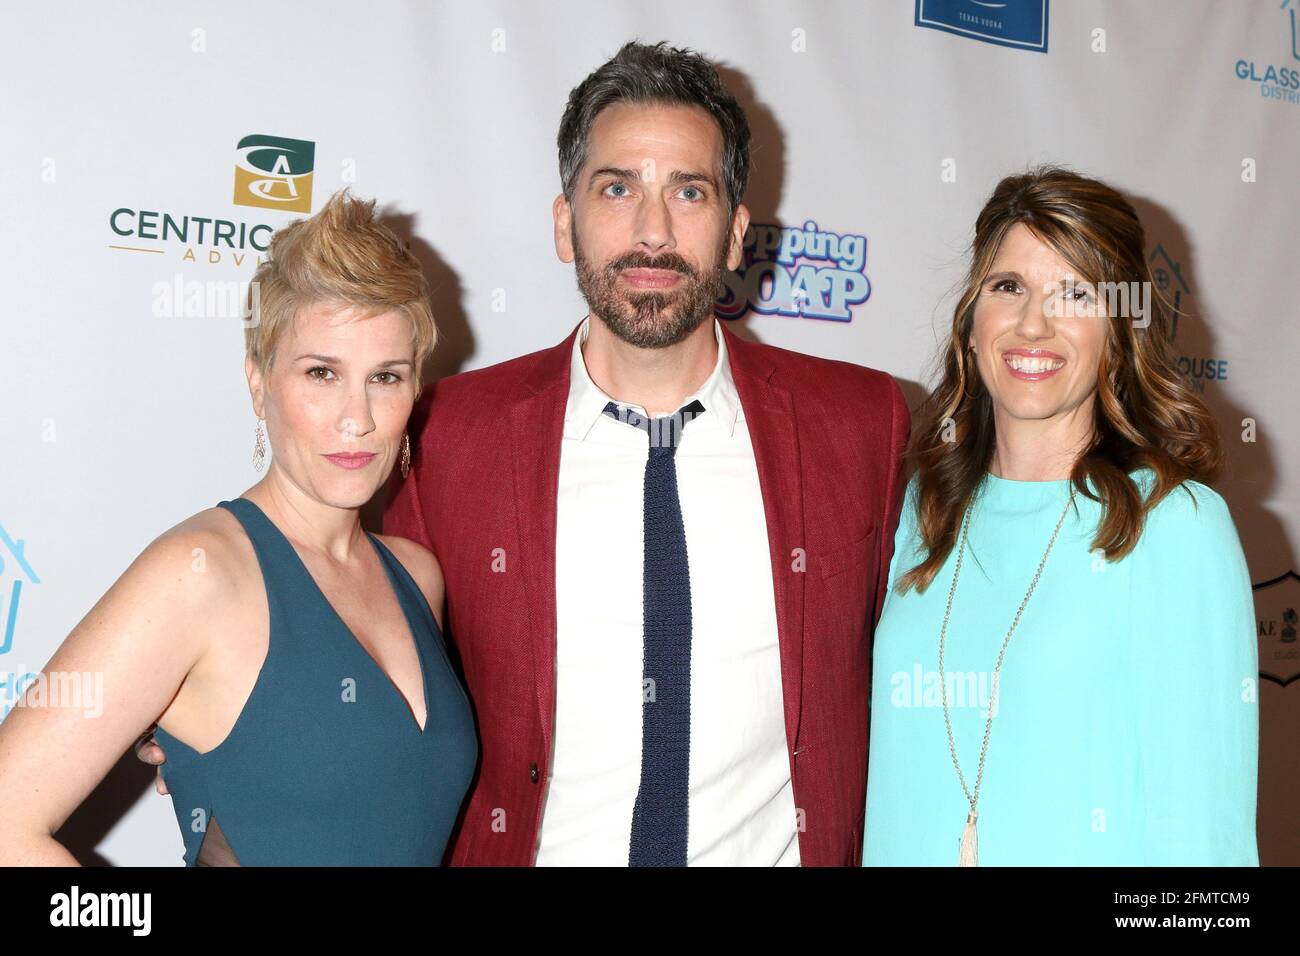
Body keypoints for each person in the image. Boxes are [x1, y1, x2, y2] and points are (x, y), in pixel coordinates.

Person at [379, 39, 909, 866]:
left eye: (688, 191)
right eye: (617, 188)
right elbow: (361, 643)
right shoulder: (447, 433)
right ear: (566, 223)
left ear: (736, 233)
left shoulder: (862, 424)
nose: (652, 232)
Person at [0, 189, 477, 865]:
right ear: (259, 384)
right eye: (321, 373)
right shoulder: (200, 572)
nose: (358, 417)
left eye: (386, 377)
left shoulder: (415, 575)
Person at [862, 166, 1259, 866]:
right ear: (972, 318)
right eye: (1008, 286)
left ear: (1119, 327)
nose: (1033, 323)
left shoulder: (1173, 524)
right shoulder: (924, 510)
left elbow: (1206, 854)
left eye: (1075, 293)